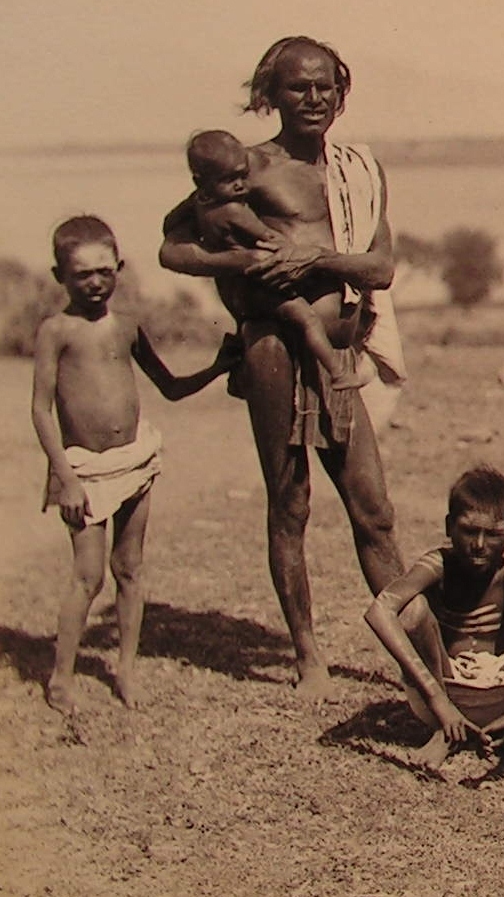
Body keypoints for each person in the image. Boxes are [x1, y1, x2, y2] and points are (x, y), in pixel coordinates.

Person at [159, 36, 413, 700]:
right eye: (298, 87)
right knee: (290, 500)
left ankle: (416, 652)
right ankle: (308, 659)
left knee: (375, 510)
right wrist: (237, 265)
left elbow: (381, 268)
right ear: (271, 94)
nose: (314, 98)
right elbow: (173, 246)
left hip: (341, 354)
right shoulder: (247, 169)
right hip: (273, 348)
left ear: (341, 91)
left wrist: (312, 260)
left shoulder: (359, 170)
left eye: (326, 86)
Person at [32, 216, 238, 714]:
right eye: (83, 274)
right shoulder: (56, 331)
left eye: (105, 271)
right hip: (83, 469)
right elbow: (40, 410)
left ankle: (125, 667)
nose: (96, 282)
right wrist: (66, 478)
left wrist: (220, 365)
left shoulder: (126, 327)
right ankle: (61, 677)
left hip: (135, 461)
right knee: (88, 576)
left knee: (129, 569)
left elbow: (168, 386)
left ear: (119, 268)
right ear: (60, 275)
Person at [365, 466, 504, 773]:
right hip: (440, 691)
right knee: (413, 609)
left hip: (502, 693)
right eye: (469, 531)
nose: (480, 545)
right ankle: (446, 733)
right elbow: (380, 610)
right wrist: (437, 701)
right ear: (449, 526)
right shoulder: (437, 564)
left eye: (494, 534)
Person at [185, 129, 365, 391]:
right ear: (201, 181)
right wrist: (301, 253)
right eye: (229, 180)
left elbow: (169, 223)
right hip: (261, 287)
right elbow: (269, 237)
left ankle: (238, 373)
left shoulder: (202, 205)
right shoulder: (235, 210)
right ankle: (338, 372)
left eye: (242, 175)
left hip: (240, 292)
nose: (240, 186)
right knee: (307, 319)